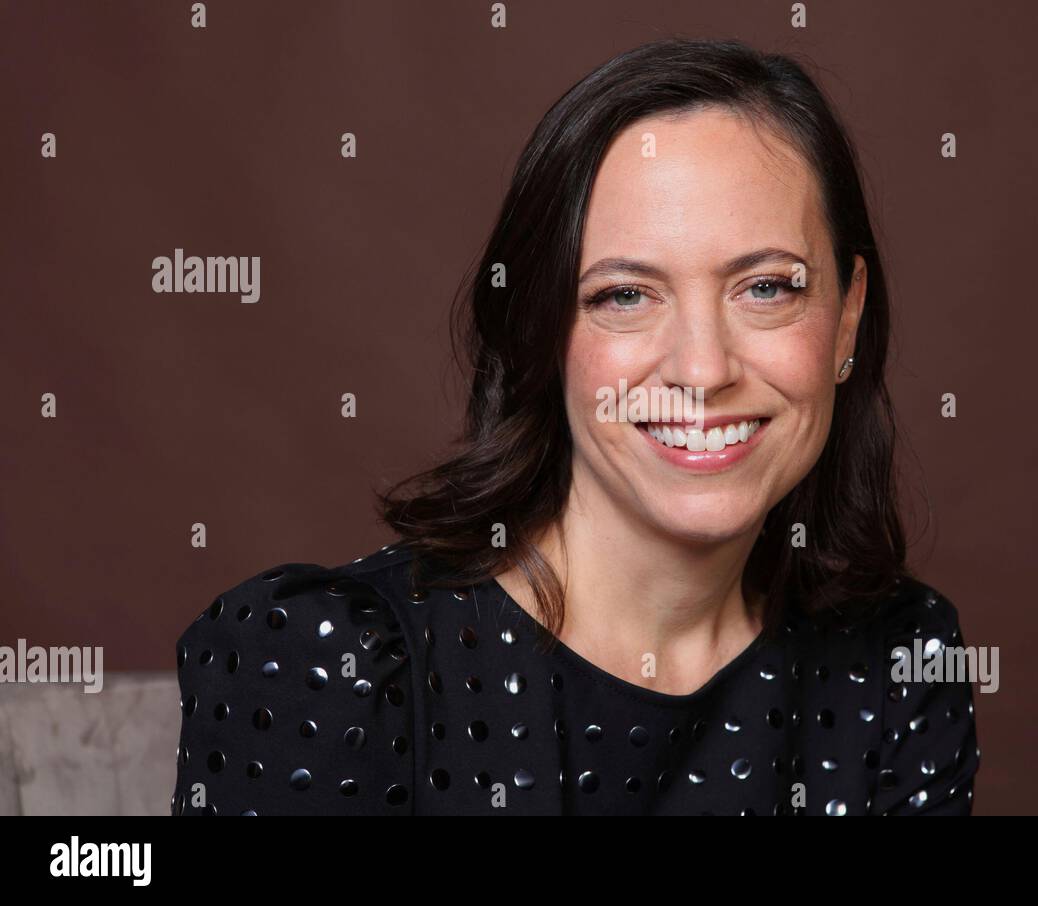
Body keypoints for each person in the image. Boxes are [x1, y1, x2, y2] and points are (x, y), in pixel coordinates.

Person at [171, 37, 979, 816]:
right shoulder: (324, 655)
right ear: (543, 337)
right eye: (624, 295)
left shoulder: (901, 660)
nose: (702, 371)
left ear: (847, 319)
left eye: (766, 287)